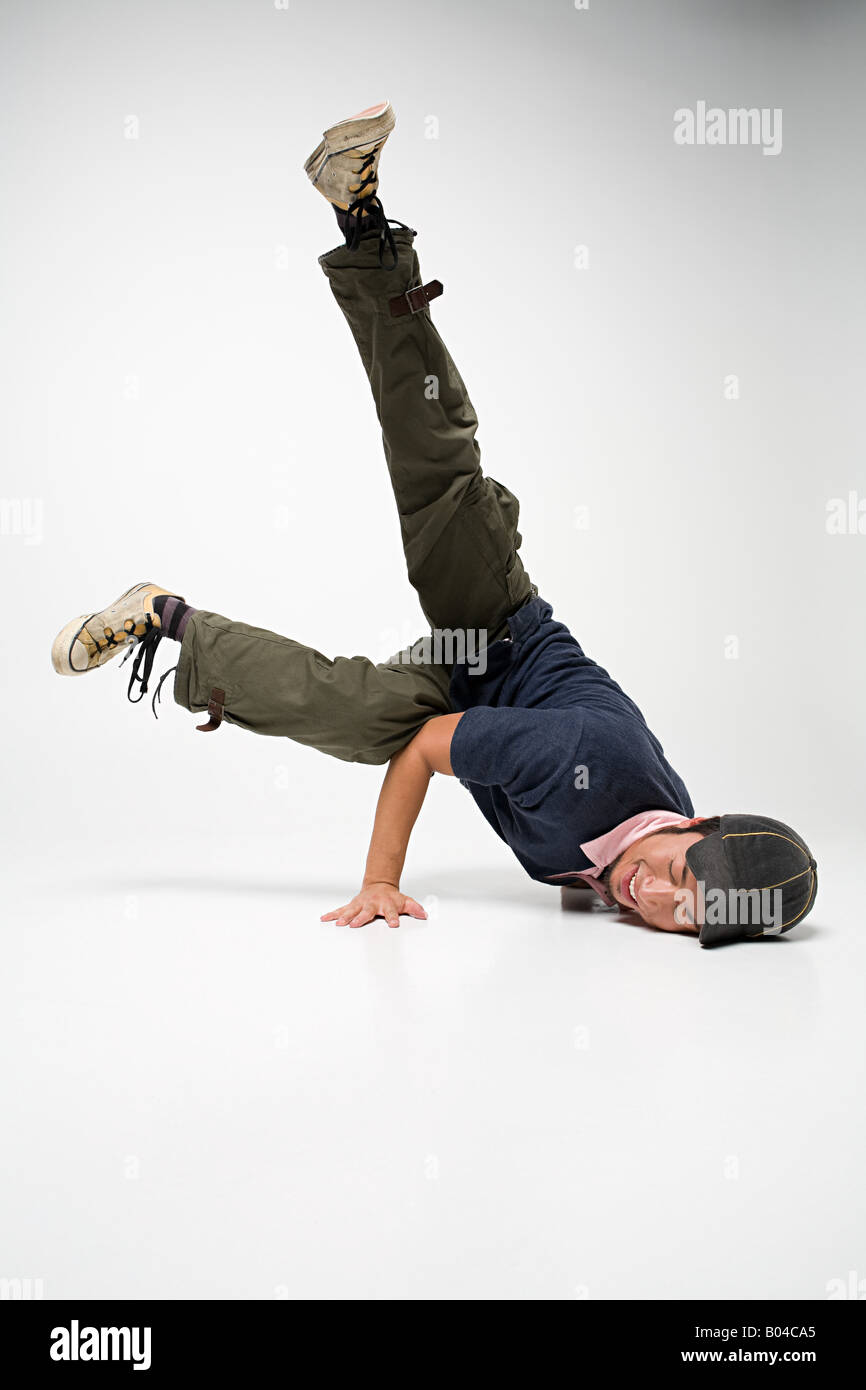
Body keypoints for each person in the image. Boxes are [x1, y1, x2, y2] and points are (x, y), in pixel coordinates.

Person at [51, 101, 818, 946]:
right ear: (697, 825)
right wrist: (381, 883)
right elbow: (423, 753)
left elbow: (598, 854)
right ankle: (360, 217)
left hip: (461, 684)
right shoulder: (582, 767)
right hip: (499, 627)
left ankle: (161, 614)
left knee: (347, 715)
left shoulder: (632, 841)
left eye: (689, 917)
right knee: (435, 461)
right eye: (678, 874)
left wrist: (603, 884)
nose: (658, 895)